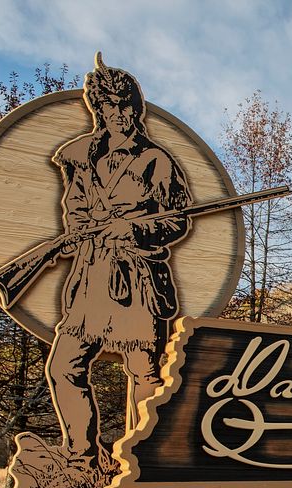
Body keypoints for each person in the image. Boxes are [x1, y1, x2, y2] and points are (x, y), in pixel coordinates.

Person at [46, 53, 191, 459]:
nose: (121, 114)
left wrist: (135, 228)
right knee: (62, 367)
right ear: (99, 110)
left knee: (145, 373)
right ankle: (80, 454)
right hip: (90, 277)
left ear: (136, 108)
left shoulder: (156, 161)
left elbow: (178, 221)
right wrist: (79, 231)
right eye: (111, 106)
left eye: (127, 105)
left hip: (138, 278)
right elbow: (73, 207)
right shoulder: (80, 157)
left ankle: (141, 460)